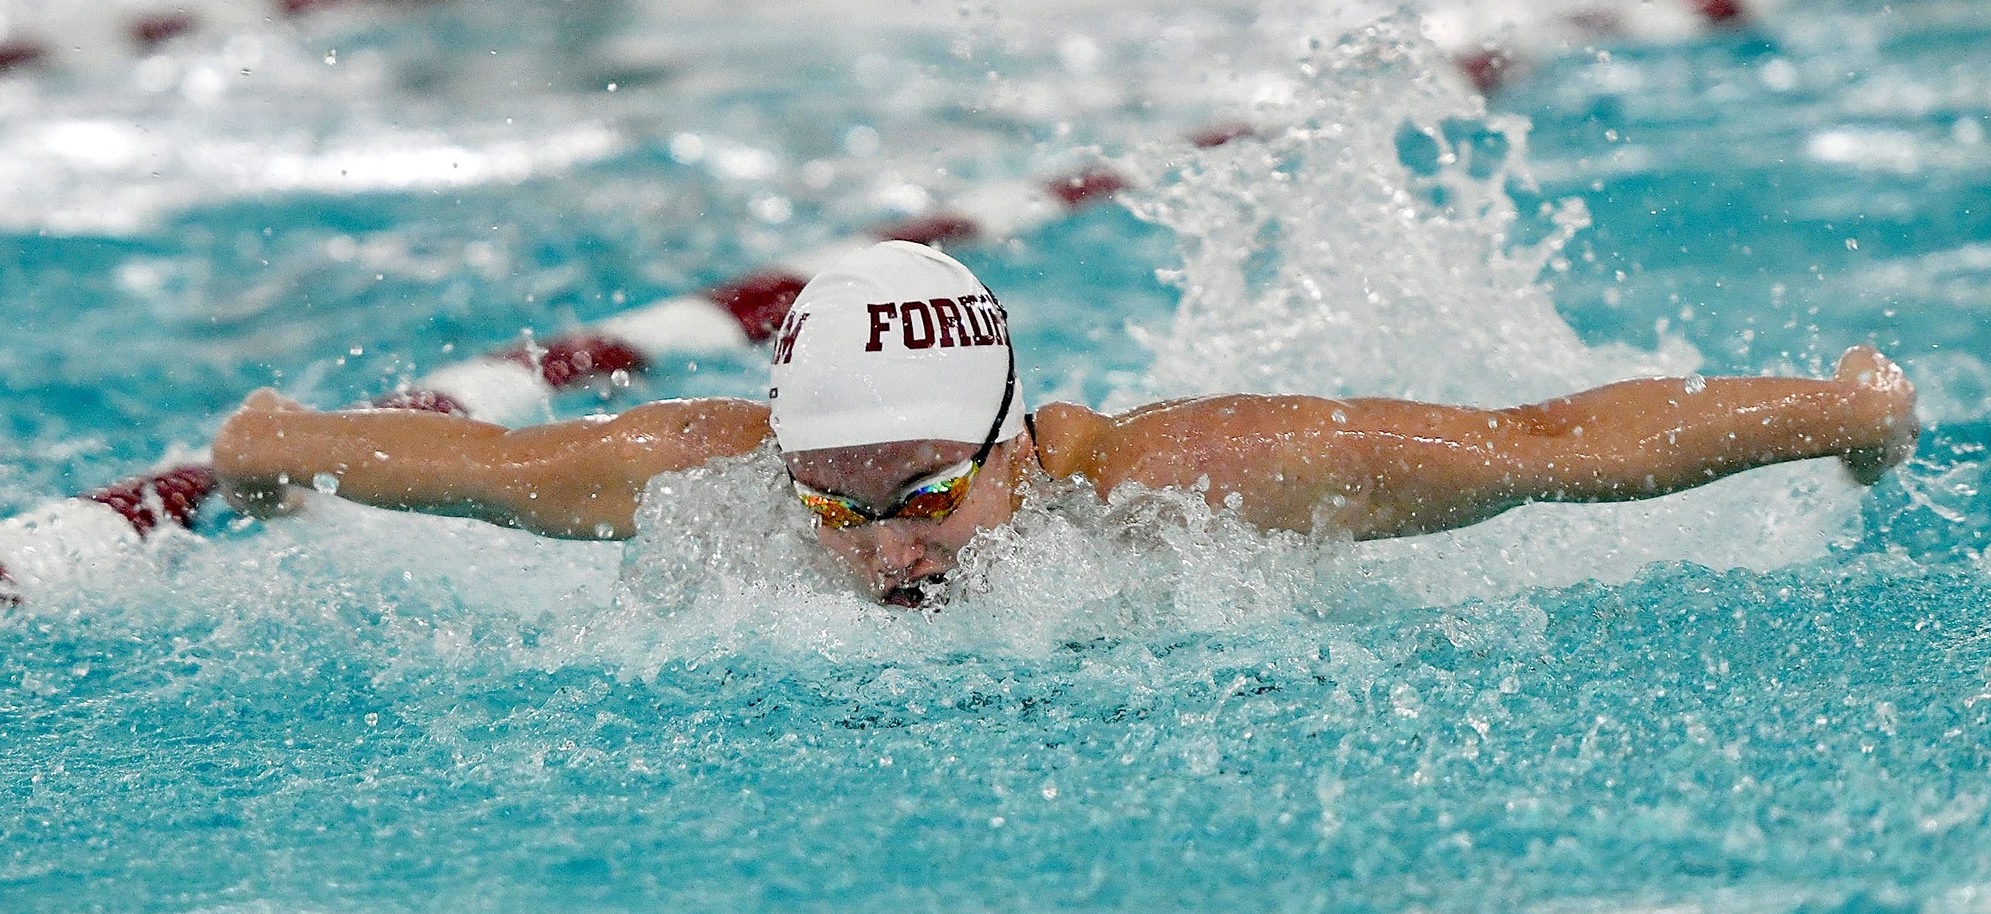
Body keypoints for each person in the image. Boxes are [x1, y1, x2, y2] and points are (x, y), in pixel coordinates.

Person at [213, 241, 1920, 608]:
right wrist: (264, 445)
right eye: (838, 503)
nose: (887, 550)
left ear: (1018, 448)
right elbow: (476, 469)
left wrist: (1847, 417)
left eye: (932, 497)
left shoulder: (1214, 484)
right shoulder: (715, 480)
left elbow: (1556, 443)